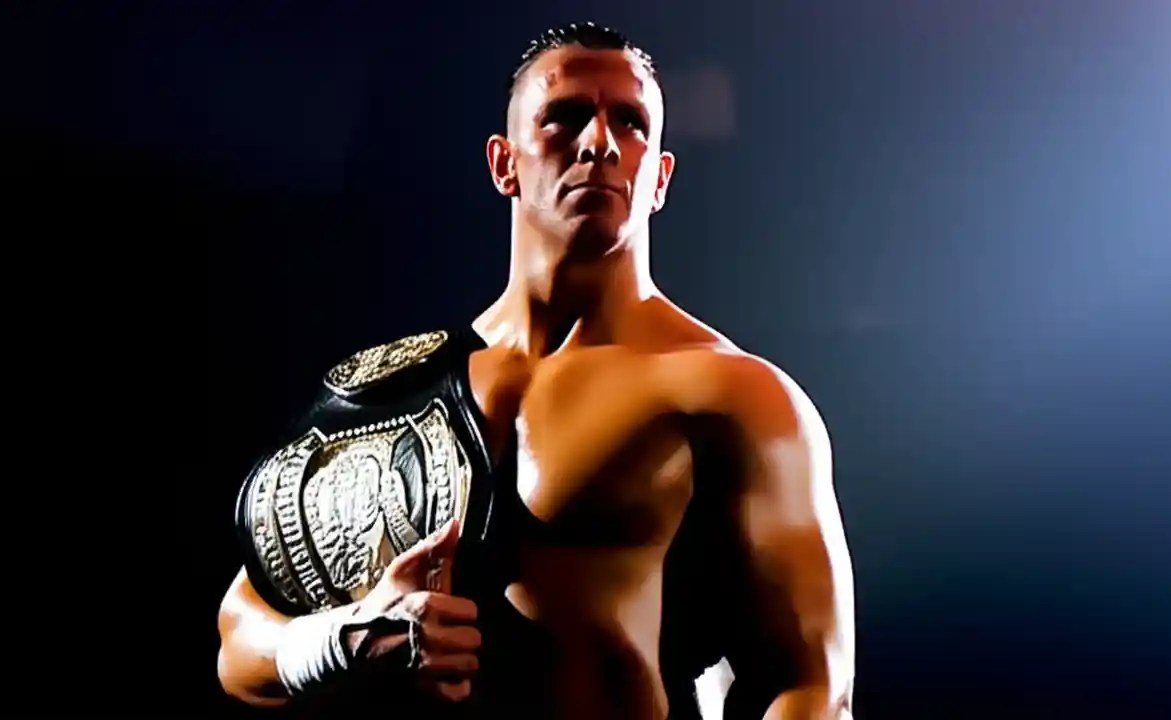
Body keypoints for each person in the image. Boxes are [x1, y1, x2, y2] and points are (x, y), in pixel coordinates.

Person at [216, 21, 855, 720]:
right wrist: (347, 640)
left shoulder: (732, 394)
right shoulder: (396, 390)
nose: (600, 142)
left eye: (632, 123)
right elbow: (239, 639)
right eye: (565, 116)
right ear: (504, 163)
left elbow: (813, 688)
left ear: (660, 178)